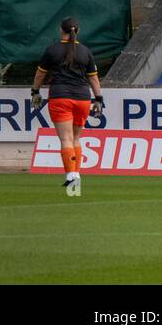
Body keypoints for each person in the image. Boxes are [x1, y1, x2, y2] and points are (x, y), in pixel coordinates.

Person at [31, 16, 104, 197]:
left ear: (60, 30)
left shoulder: (52, 50)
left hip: (60, 97)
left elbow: (40, 75)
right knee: (76, 138)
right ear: (77, 31)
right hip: (82, 98)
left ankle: (72, 174)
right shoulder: (85, 52)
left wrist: (35, 91)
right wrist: (99, 99)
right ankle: (76, 174)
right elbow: (93, 78)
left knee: (66, 139)